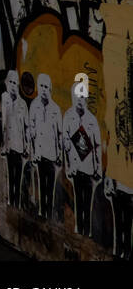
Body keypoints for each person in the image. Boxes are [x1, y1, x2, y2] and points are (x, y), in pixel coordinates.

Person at [62, 81, 102, 237]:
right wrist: (68, 165)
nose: (80, 100)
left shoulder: (92, 120)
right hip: (76, 168)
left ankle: (87, 229)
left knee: (88, 201)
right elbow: (65, 142)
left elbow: (97, 145)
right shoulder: (68, 117)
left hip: (89, 168)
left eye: (82, 97)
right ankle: (80, 228)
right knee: (78, 199)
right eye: (77, 96)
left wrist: (98, 168)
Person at [28, 73, 64, 220]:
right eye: (41, 86)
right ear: (38, 87)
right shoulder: (34, 106)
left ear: (50, 89)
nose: (43, 89)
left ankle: (49, 212)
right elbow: (31, 131)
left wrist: (60, 155)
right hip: (40, 153)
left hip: (52, 154)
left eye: (46, 87)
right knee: (42, 184)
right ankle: (43, 211)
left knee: (51, 187)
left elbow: (60, 134)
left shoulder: (56, 109)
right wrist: (33, 151)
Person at [0, 70, 27, 208]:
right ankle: (12, 201)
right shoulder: (4, 99)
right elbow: (3, 122)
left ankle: (16, 202)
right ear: (6, 83)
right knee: (11, 176)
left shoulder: (22, 104)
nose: (12, 85)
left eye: (15, 83)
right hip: (9, 147)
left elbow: (26, 127)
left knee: (18, 177)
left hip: (19, 147)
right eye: (10, 82)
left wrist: (27, 148)